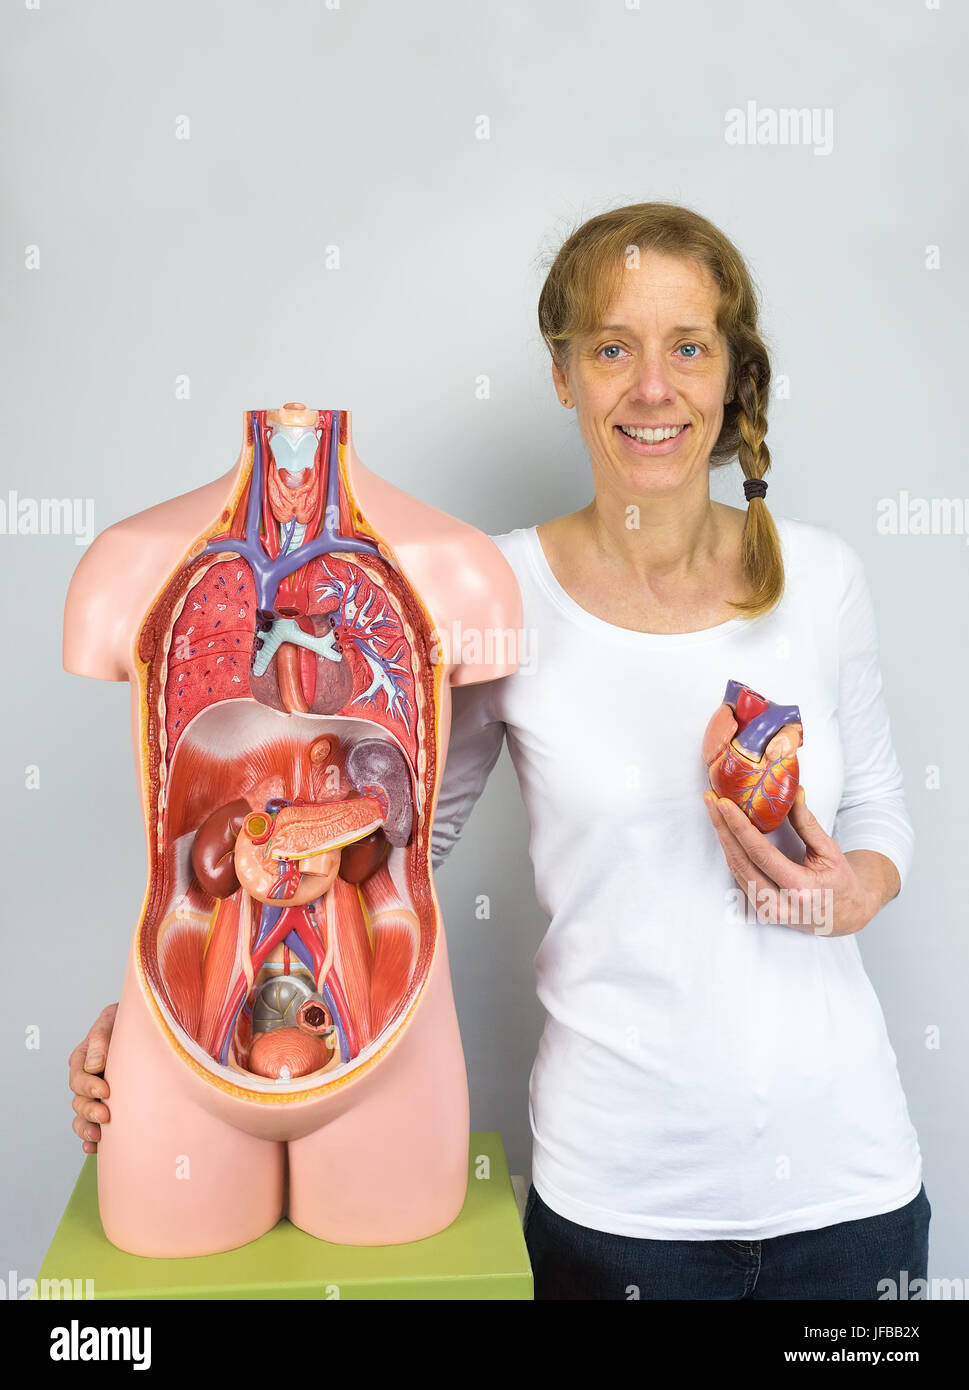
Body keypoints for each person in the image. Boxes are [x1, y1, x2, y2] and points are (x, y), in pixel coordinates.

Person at [69, 203, 929, 1299]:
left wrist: (845, 893)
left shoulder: (824, 577)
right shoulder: (496, 592)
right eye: (613, 347)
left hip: (848, 1195)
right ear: (565, 375)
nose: (652, 387)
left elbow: (885, 814)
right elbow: (402, 854)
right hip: (617, 1210)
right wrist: (169, 1023)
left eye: (689, 347)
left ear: (732, 375)